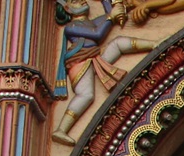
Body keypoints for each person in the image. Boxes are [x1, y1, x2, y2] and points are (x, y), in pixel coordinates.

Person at [52, 0, 157, 145]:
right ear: (67, 9)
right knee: (86, 94)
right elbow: (97, 33)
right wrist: (110, 17)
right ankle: (61, 130)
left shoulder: (92, 21)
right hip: (80, 61)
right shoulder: (71, 27)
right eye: (75, 1)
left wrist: (111, 5)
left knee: (118, 43)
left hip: (94, 56)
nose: (82, 1)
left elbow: (109, 15)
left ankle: (155, 44)